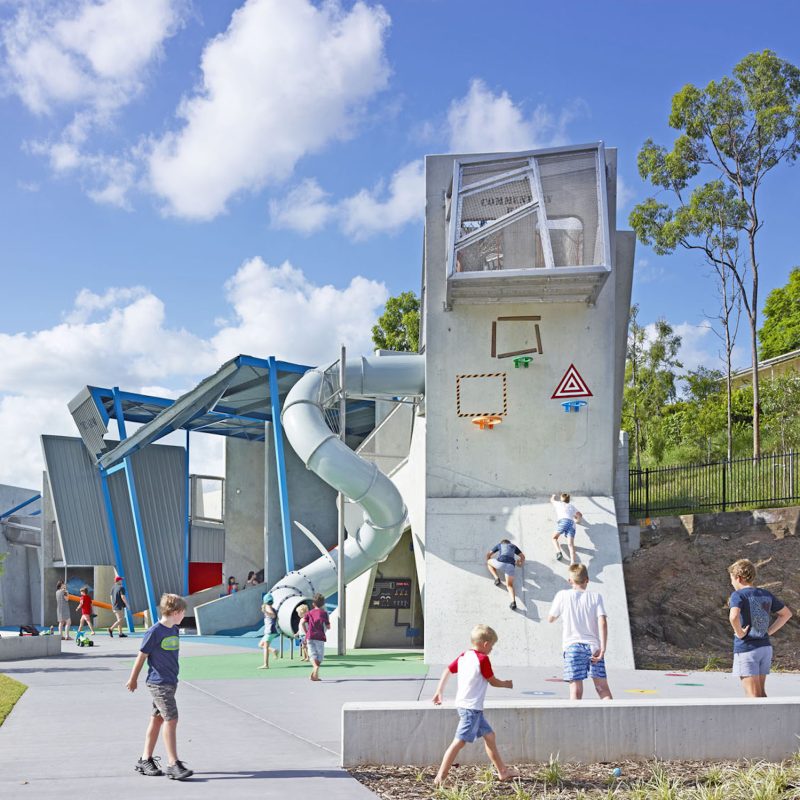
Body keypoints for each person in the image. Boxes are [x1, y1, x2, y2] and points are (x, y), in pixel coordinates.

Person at [431, 624, 518, 787]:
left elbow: (447, 671)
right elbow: (493, 681)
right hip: (471, 709)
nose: (492, 649)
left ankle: (503, 771)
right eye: (492, 645)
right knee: (459, 742)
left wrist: (439, 691)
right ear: (485, 644)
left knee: (490, 736)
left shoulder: (464, 656)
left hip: (468, 707)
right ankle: (440, 778)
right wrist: (507, 684)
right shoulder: (483, 659)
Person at [127, 593, 193, 781]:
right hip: (159, 683)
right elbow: (141, 656)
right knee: (171, 719)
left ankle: (144, 759)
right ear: (176, 612)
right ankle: (173, 763)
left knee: (157, 720)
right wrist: (133, 679)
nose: (183, 616)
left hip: (171, 682)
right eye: (182, 613)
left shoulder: (173, 629)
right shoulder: (154, 631)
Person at [728, 558, 792, 698]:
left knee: (753, 696)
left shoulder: (738, 595)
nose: (731, 583)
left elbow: (733, 617)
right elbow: (786, 614)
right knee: (761, 694)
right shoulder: (765, 594)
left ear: (738, 578)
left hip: (747, 648)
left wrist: (739, 633)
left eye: (731, 579)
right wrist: (768, 632)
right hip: (765, 649)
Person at [548, 564, 612, 700]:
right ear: (587, 580)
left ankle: (573, 720)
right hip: (594, 647)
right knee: (602, 688)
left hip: (573, 647)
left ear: (570, 580)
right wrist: (603, 649)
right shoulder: (596, 597)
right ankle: (615, 720)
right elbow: (603, 622)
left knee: (575, 691)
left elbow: (551, 618)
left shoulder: (562, 595)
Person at [485, 538, 525, 610]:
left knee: (489, 563)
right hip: (510, 566)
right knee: (509, 585)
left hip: (500, 563)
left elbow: (489, 554)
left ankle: (496, 578)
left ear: (502, 543)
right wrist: (520, 563)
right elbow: (523, 557)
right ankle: (513, 602)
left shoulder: (499, 545)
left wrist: (488, 559)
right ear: (509, 543)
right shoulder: (513, 546)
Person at [550, 492, 583, 565]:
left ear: (561, 499)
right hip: (572, 524)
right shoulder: (572, 506)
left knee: (554, 538)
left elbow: (552, 500)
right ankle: (573, 562)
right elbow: (580, 515)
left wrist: (553, 496)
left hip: (563, 521)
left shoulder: (559, 503)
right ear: (568, 500)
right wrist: (577, 520)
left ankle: (559, 552)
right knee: (570, 545)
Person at [304, 593, 330, 681]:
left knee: (312, 655)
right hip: (319, 637)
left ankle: (315, 675)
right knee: (320, 656)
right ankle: (315, 668)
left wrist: (306, 632)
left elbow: (302, 622)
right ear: (323, 604)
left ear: (313, 604)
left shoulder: (309, 613)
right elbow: (328, 626)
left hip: (310, 636)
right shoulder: (324, 613)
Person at [258, 593, 280, 669]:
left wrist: (266, 612)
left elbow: (273, 615)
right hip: (270, 630)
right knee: (261, 645)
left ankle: (266, 664)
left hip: (270, 630)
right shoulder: (271, 607)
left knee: (265, 647)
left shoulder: (268, 607)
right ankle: (274, 650)